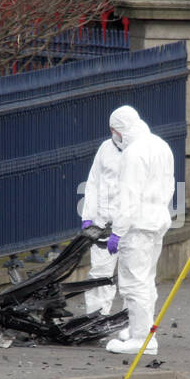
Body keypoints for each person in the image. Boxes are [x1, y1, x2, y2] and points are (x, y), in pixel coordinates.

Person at [104, 105, 174, 356]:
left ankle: (142, 339)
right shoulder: (160, 145)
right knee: (146, 280)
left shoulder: (133, 154)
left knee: (134, 283)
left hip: (137, 226)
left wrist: (117, 232)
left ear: (119, 130)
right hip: (157, 221)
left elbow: (128, 198)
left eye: (114, 132)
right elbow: (169, 187)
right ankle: (140, 330)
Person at [79, 114, 124, 316]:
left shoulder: (139, 151)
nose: (114, 133)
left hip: (128, 225)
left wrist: (122, 228)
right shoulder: (106, 148)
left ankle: (133, 326)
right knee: (99, 275)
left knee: (132, 279)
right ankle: (96, 318)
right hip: (103, 224)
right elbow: (93, 183)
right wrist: (88, 217)